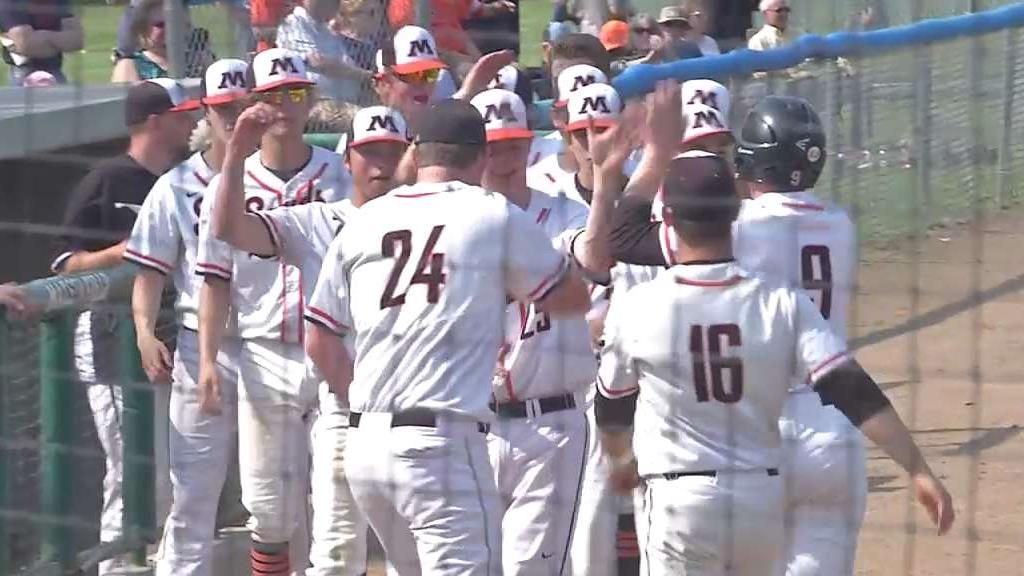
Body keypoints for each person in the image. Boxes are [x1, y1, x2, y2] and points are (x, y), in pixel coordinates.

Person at [595, 152, 954, 575]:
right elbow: (853, 391)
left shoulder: (639, 308)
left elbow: (612, 403)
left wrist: (620, 462)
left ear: (668, 222)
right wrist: (917, 467)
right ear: (734, 214)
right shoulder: (780, 302)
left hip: (680, 502)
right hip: (758, 500)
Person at [304, 99, 590, 576]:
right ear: (480, 158)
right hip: (441, 446)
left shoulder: (367, 221)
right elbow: (571, 300)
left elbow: (319, 340)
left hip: (364, 448)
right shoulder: (490, 212)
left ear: (415, 155)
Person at [211, 104, 410, 576]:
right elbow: (229, 228)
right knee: (335, 550)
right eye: (369, 153)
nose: (380, 164)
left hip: (416, 403)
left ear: (411, 158)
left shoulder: (440, 218)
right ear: (348, 161)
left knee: (417, 550)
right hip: (345, 403)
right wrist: (237, 155)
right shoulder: (318, 220)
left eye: (391, 152)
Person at [195, 47, 348, 576]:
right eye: (273, 95)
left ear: (311, 100)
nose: (285, 104)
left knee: (339, 509)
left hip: (336, 352)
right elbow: (214, 280)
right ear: (252, 103)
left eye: (297, 92)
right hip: (262, 354)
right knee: (270, 512)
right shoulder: (226, 187)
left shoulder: (344, 172)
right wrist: (209, 361)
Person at [467, 87, 631, 575]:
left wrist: (603, 184)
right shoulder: (454, 222)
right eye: (492, 146)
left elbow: (595, 258)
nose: (504, 157)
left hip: (550, 422)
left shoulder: (564, 215)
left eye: (514, 144)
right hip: (470, 423)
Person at [51, 78, 198, 576]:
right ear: (156, 121)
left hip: (171, 338)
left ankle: (155, 561)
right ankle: (119, 569)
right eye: (183, 114)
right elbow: (66, 265)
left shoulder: (183, 180)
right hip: (109, 339)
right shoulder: (106, 180)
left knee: (173, 470)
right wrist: (127, 250)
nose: (192, 121)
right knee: (133, 468)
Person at [123, 58, 250, 576]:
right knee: (193, 494)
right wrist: (144, 331)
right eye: (223, 107)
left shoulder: (284, 178)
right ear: (207, 110)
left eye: (241, 105)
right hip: (203, 344)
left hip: (276, 341)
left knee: (288, 494)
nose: (232, 116)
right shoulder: (176, 185)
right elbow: (149, 271)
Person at [277, 0, 375, 103]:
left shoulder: (327, 31)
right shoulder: (294, 22)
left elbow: (339, 64)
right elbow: (321, 64)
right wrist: (366, 76)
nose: (333, 4)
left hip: (345, 103)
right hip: (313, 104)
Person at [386, 0, 515, 60]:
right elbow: (410, 44)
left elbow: (477, 10)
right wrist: (456, 58)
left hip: (466, 55)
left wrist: (497, 7)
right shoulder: (404, 4)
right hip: (433, 63)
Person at [0, 0, 81, 86]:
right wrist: (58, 43)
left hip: (56, 72)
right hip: (24, 76)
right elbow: (27, 45)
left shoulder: (59, 1)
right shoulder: (10, 2)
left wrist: (43, 37)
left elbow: (77, 41)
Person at [112, 0, 172, 82]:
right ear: (140, 30)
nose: (170, 29)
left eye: (173, 22)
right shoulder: (130, 66)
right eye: (160, 25)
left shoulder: (192, 62)